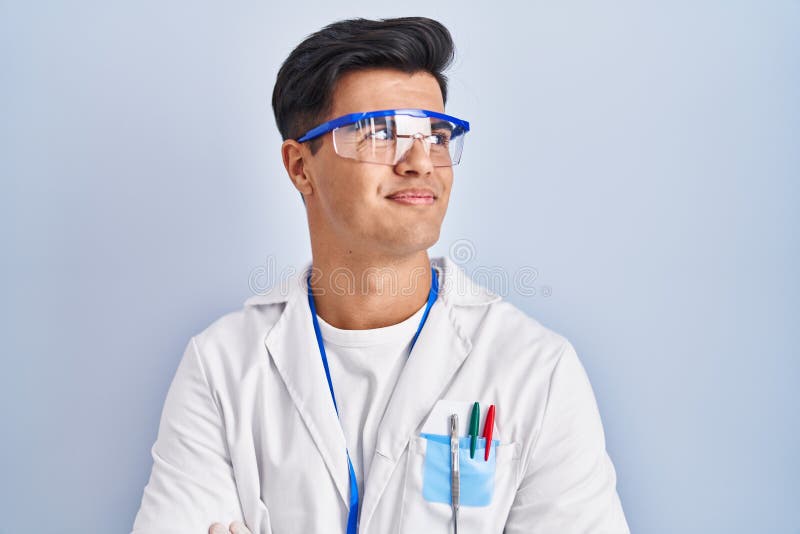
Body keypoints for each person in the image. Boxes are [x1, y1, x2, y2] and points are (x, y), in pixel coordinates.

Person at [131, 16, 630, 534]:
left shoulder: (536, 371)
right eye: (379, 132)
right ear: (301, 167)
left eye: (435, 134)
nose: (420, 161)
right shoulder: (221, 368)